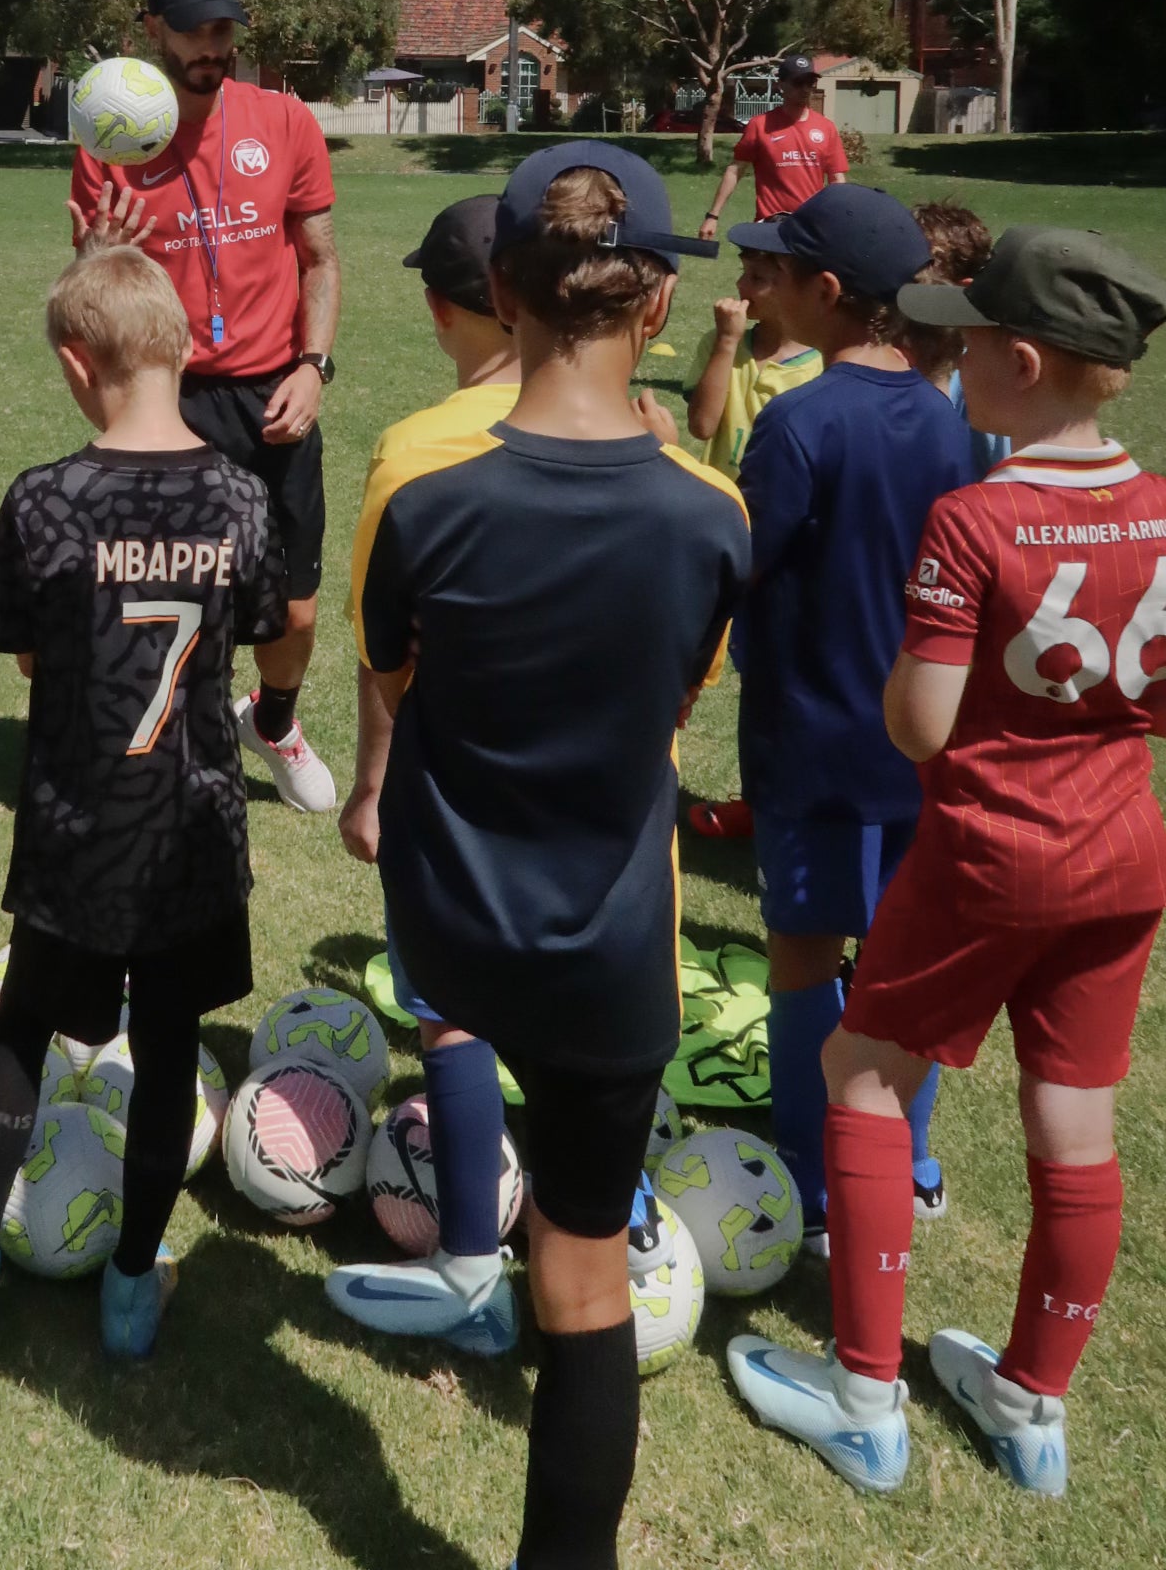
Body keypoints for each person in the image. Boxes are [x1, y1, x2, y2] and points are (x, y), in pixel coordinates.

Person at [358, 146, 748, 1570]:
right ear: (655, 304)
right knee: (584, 1280)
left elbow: (393, 672)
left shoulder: (415, 476)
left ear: (501, 292)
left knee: (460, 1045)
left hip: (453, 920)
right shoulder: (716, 511)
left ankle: (460, 1228)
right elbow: (672, 709)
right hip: (606, 948)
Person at [730, 226, 1166, 1498]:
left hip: (985, 851)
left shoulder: (978, 521)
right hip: (1122, 853)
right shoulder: (1158, 510)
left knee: (860, 1075)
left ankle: (865, 1396)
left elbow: (919, 723)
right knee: (1076, 1124)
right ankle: (1034, 1408)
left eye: (965, 336)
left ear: (1019, 360)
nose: (947, 350)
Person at [0, 244, 287, 1359]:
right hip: (191, 828)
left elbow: (13, 642)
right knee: (167, 1048)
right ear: (183, 349)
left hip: (79, 820)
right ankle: (129, 1289)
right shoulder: (241, 496)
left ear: (76, 365)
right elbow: (256, 628)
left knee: (21, 1029)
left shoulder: (48, 500)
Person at [729, 185, 973, 1250]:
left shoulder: (796, 422)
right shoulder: (954, 423)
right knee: (897, 970)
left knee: (802, 957)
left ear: (827, 295)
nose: (763, 284)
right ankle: (910, 1163)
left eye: (778, 272)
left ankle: (804, 1171)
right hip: (923, 746)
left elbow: (740, 565)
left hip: (809, 747)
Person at [67, 0, 339, 813]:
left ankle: (277, 720)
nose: (213, 47)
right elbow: (92, 301)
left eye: (224, 30)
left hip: (275, 395)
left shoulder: (283, 121)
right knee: (174, 595)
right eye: (194, 30)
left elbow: (321, 258)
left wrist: (314, 365)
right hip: (168, 400)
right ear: (153, 29)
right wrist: (95, 254)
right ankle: (182, 740)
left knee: (294, 612)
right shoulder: (110, 135)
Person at [330, 195, 523, 1351]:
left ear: (444, 307)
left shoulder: (416, 447)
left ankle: (470, 1275)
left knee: (452, 1012)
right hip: (606, 799)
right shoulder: (645, 433)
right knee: (585, 1019)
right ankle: (620, 1226)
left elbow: (381, 651)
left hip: (456, 784)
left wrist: (371, 782)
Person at [682, 248, 821, 842]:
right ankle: (759, 800)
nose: (743, 286)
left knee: (783, 678)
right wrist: (723, 344)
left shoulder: (822, 367)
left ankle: (786, 802)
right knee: (742, 675)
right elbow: (704, 425)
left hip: (786, 549)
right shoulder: (730, 346)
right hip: (724, 533)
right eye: (745, 272)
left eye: (761, 277)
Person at [899, 199, 1012, 477]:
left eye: (922, 271)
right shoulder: (888, 348)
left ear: (964, 289)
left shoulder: (982, 378)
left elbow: (1001, 474)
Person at [697, 54, 847, 244]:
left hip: (809, 227)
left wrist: (841, 220)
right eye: (798, 82)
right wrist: (713, 216)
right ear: (781, 84)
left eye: (810, 83)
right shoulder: (760, 125)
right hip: (769, 227)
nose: (805, 89)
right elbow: (735, 170)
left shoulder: (826, 128)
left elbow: (837, 180)